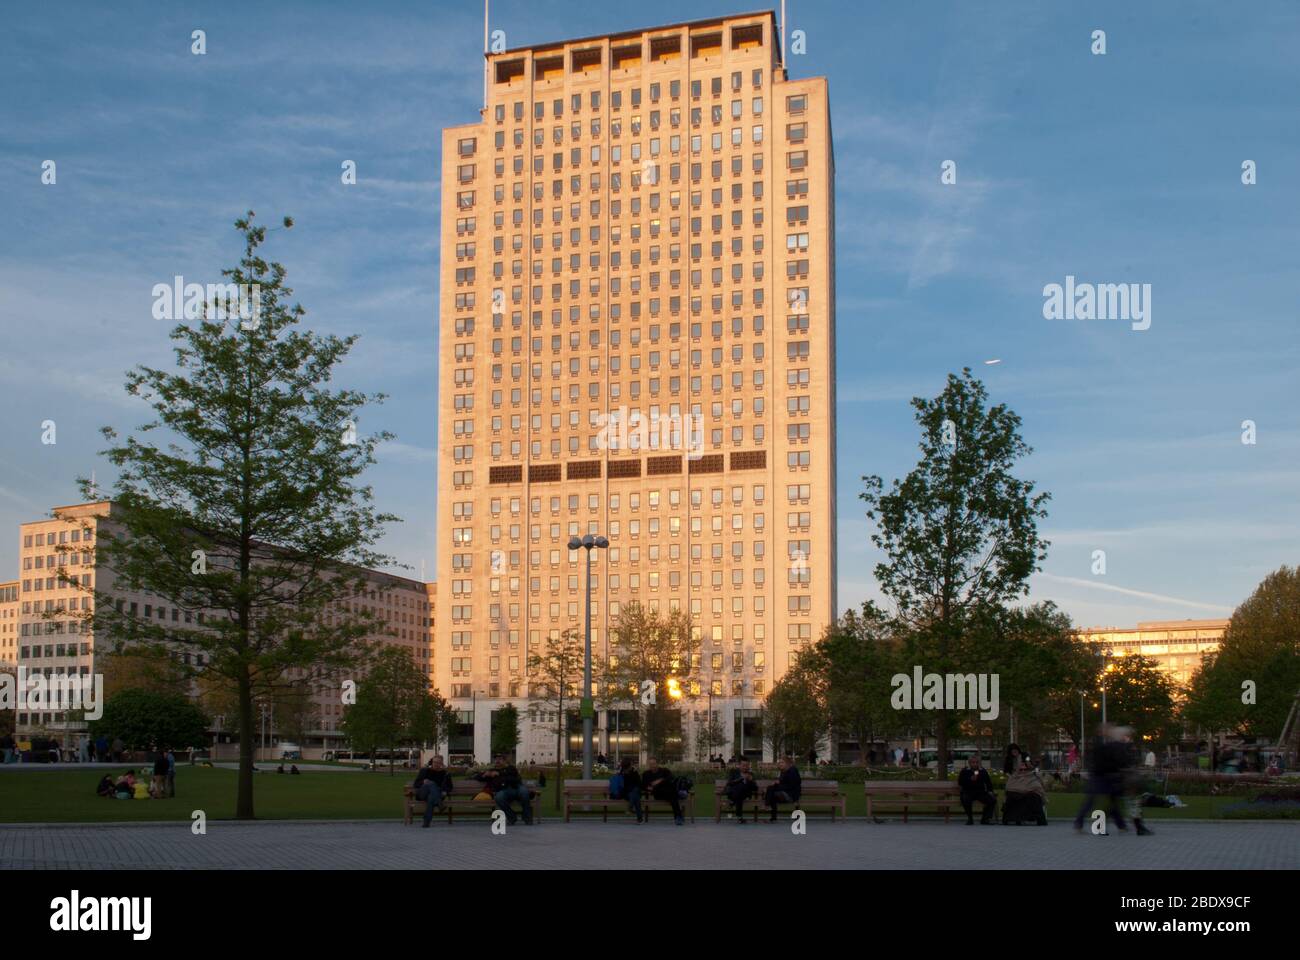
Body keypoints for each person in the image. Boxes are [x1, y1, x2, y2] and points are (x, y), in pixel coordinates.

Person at [1074, 724, 1132, 834]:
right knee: (1099, 800)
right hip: (1101, 776)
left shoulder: (1103, 743)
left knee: (1104, 801)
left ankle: (1120, 825)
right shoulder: (1104, 744)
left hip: (1101, 776)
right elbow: (1112, 760)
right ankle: (1119, 825)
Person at [1003, 757, 1048, 825]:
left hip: (1029, 794)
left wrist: (1026, 790)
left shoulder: (1032, 776)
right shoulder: (1014, 777)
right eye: (1021, 769)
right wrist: (1021, 790)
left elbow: (1037, 786)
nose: (1023, 771)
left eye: (1025, 769)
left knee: (1034, 797)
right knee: (1012, 796)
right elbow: (1008, 787)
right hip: (1016, 794)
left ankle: (1036, 818)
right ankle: (1013, 818)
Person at [489, 755, 533, 825]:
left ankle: (527, 818)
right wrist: (483, 775)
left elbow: (514, 778)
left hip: (517, 787)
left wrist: (500, 774)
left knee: (524, 792)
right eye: (496, 759)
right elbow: (482, 777)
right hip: (504, 790)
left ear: (504, 761)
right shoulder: (492, 771)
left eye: (500, 759)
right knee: (498, 797)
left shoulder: (511, 768)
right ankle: (512, 816)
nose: (497, 761)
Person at [413, 755, 454, 828]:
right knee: (431, 783)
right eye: (434, 762)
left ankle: (426, 822)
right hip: (423, 793)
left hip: (437, 794)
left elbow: (450, 787)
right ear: (432, 762)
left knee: (430, 798)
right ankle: (439, 804)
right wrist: (423, 782)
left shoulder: (445, 773)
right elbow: (416, 784)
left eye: (438, 762)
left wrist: (445, 791)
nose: (435, 764)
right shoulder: (424, 771)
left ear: (441, 763)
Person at [642, 757, 685, 825]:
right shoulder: (646, 774)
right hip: (658, 794)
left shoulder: (664, 770)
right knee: (672, 794)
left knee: (671, 795)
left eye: (653, 763)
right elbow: (645, 786)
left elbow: (671, 777)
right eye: (650, 764)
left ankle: (678, 817)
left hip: (668, 792)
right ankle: (679, 795)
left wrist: (659, 781)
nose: (652, 765)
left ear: (657, 764)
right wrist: (653, 787)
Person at [958, 755, 997, 825]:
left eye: (976, 762)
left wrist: (990, 791)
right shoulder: (965, 771)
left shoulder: (982, 771)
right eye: (973, 762)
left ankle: (985, 819)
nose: (975, 764)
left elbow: (988, 782)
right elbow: (960, 782)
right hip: (968, 792)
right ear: (969, 763)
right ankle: (970, 819)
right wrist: (970, 779)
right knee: (965, 799)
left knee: (992, 800)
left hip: (980, 792)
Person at [764, 756, 802, 822]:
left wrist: (796, 800)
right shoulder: (783, 771)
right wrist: (777, 783)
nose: (780, 764)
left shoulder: (792, 771)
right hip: (784, 793)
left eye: (782, 762)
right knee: (772, 794)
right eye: (779, 762)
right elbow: (782, 783)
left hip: (790, 795)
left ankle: (767, 805)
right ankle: (773, 817)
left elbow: (795, 786)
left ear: (787, 763)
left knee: (770, 789)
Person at [724, 759, 758, 823]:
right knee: (739, 793)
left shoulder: (751, 774)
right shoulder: (734, 772)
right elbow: (730, 783)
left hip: (745, 794)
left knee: (740, 790)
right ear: (739, 765)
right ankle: (739, 817)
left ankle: (732, 802)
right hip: (736, 794)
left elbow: (755, 788)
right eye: (743, 765)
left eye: (747, 765)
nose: (745, 767)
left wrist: (751, 781)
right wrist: (741, 779)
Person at [618, 757, 644, 823]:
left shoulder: (634, 772)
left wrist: (637, 773)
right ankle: (639, 818)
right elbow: (622, 787)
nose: (631, 766)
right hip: (626, 794)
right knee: (635, 796)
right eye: (630, 765)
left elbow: (639, 784)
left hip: (635, 792)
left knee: (634, 792)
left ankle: (630, 807)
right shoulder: (621, 773)